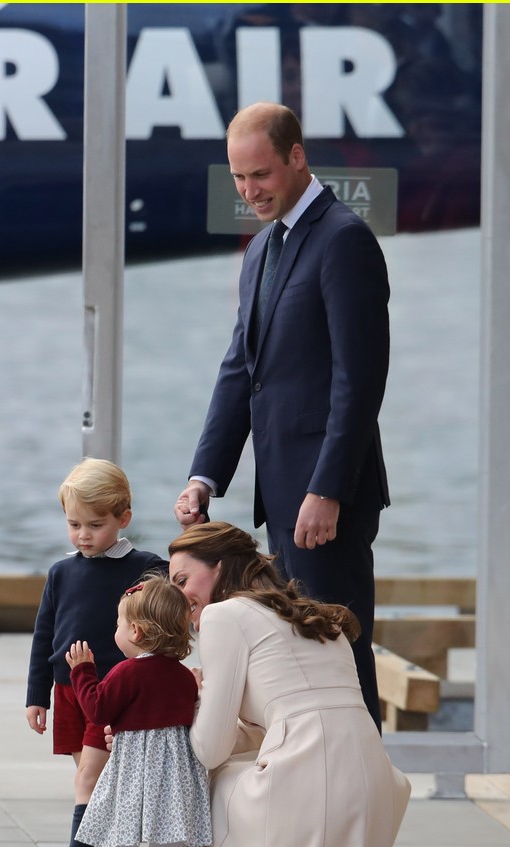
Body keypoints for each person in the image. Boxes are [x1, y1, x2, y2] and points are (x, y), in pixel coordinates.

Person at [173, 101, 390, 730]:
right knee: (299, 657)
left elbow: (360, 382)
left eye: (260, 175)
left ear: (297, 157)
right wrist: (205, 477)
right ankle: (314, 791)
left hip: (329, 498)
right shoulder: (264, 245)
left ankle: (363, 795)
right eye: (239, 178)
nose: (249, 191)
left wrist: (327, 489)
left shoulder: (345, 239)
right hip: (282, 497)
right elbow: (242, 369)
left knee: (341, 654)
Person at [169, 522, 410, 847]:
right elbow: (282, 722)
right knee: (242, 767)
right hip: (372, 783)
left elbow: (209, 750)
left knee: (219, 780)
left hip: (313, 776)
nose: (180, 596)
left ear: (220, 567)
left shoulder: (223, 616)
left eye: (183, 580)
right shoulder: (310, 615)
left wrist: (194, 702)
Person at [26, 458, 166, 847]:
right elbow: (44, 636)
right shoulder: (61, 572)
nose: (83, 534)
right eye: (73, 524)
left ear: (124, 518)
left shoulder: (145, 568)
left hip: (111, 691)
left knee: (90, 778)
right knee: (97, 785)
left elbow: (178, 594)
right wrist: (37, 697)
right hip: (68, 692)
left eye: (96, 524)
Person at [66, 574, 211, 847]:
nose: (115, 630)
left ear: (136, 630)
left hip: (132, 769)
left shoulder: (125, 672)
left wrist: (83, 672)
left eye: (118, 623)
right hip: (172, 771)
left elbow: (98, 710)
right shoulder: (182, 677)